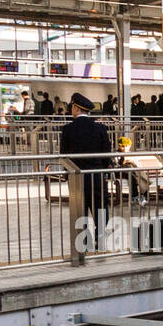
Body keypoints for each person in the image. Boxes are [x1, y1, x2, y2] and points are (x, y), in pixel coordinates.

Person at [60, 92, 113, 249]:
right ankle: (101, 239)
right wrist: (102, 169)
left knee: (79, 208)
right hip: (96, 175)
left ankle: (83, 241)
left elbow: (64, 156)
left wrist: (67, 174)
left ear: (76, 108)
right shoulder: (100, 128)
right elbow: (106, 154)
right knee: (100, 207)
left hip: (76, 176)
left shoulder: (67, 129)